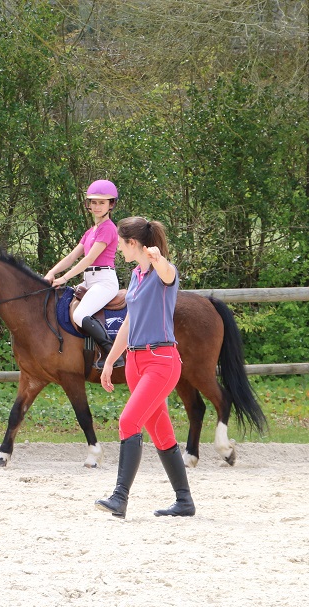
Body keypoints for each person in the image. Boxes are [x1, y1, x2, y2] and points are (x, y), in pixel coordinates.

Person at [95, 216, 194, 519]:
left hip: (161, 362)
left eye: (121, 244)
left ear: (132, 243)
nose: (119, 250)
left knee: (128, 421)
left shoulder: (164, 273)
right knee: (161, 433)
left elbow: (167, 272)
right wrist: (111, 360)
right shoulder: (136, 276)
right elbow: (129, 321)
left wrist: (159, 259)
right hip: (135, 364)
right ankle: (184, 501)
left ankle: (119, 497)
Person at [44, 179, 123, 370]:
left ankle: (110, 352)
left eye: (102, 202)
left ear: (111, 204)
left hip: (104, 282)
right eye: (93, 202)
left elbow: (88, 259)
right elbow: (72, 256)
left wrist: (63, 279)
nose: (97, 206)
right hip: (89, 281)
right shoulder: (90, 232)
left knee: (80, 314)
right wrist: (51, 273)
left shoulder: (109, 228)